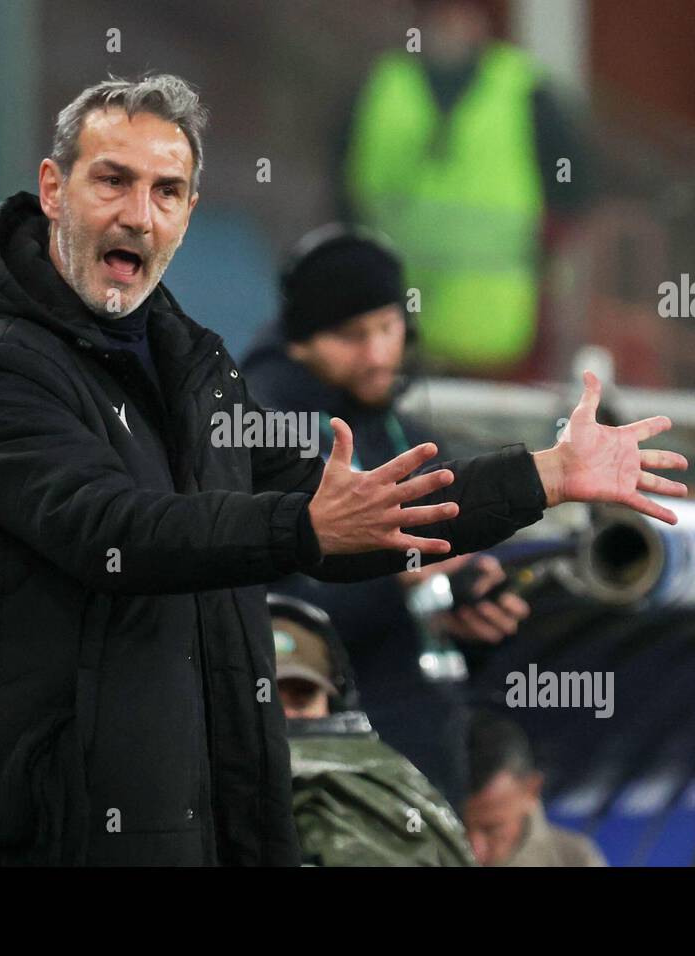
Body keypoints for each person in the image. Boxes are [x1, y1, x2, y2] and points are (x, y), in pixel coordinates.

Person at [0, 73, 689, 867]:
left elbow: (373, 510)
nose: (139, 214)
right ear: (52, 189)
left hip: (191, 825)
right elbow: (113, 532)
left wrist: (547, 476)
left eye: (167, 191)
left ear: (189, 213)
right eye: (113, 181)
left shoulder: (190, 367)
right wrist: (301, 525)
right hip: (36, 841)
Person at [242, 225, 533, 806]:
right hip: (317, 783)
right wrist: (394, 580)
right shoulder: (258, 434)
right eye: (352, 335)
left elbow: (426, 640)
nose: (378, 353)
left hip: (421, 772)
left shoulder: (410, 436)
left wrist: (471, 613)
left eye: (388, 327)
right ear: (300, 341)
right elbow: (252, 611)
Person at [341, 0, 592, 379]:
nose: (451, 23)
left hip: (497, 339)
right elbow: (345, 191)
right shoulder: (384, 86)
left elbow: (574, 190)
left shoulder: (523, 89)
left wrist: (546, 259)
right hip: (391, 340)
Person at [273, 593, 475, 866]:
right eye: (269, 700)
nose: (286, 714)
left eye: (302, 696)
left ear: (335, 701)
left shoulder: (391, 779)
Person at [462, 713, 606, 866]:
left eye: (491, 829)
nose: (474, 849)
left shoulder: (575, 860)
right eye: (458, 825)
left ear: (532, 790)